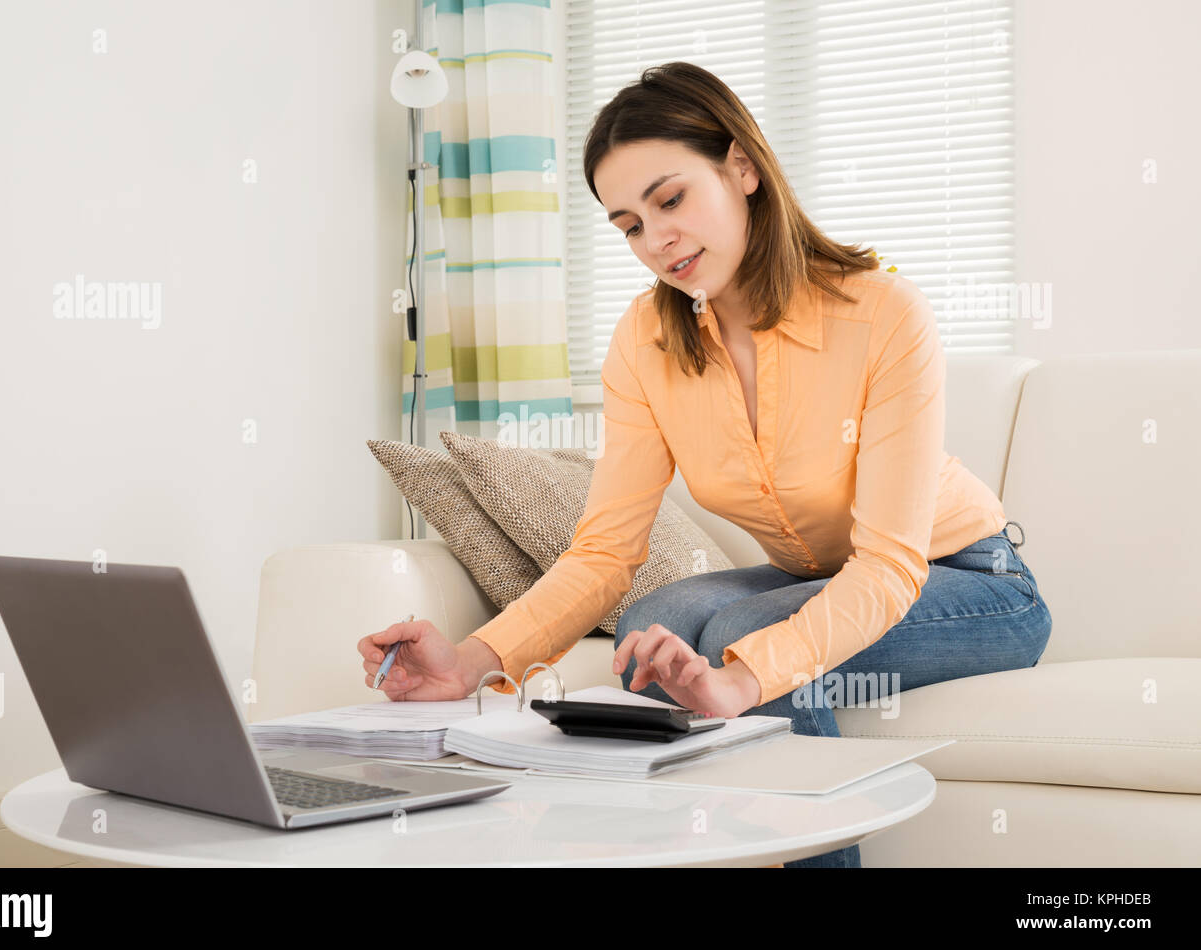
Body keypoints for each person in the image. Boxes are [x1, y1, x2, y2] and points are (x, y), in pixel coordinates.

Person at [357, 62, 1052, 868]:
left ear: (743, 168)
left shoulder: (882, 312)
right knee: (661, 627)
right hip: (818, 575)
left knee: (741, 631)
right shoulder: (645, 344)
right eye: (628, 224)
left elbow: (890, 565)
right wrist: (471, 661)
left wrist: (744, 680)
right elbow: (604, 552)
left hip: (971, 579)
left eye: (671, 199)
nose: (656, 241)